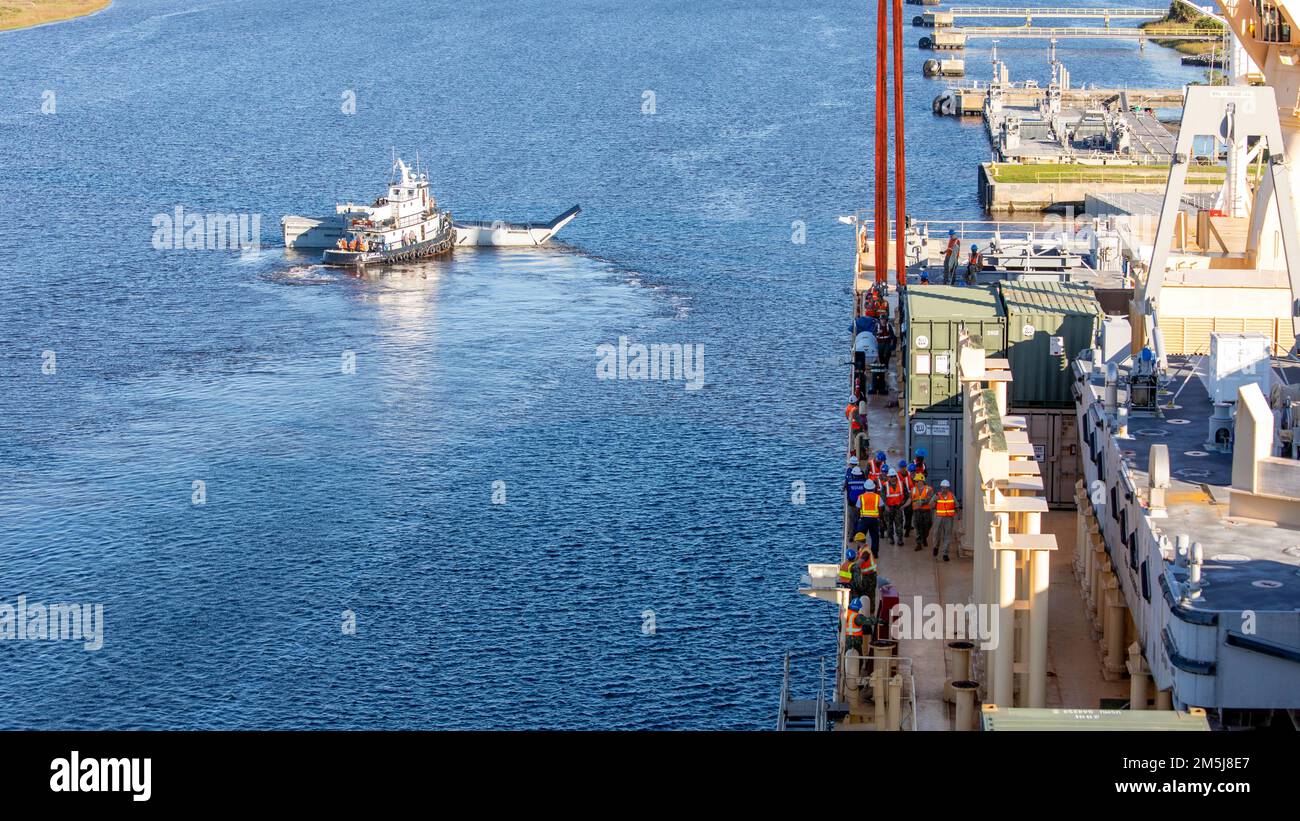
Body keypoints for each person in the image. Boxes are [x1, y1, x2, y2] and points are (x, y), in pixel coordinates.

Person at [856, 478, 883, 555]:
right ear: (873, 488)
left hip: (864, 519)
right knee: (875, 537)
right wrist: (880, 518)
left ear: (865, 488)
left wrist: (859, 518)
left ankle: (860, 551)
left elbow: (858, 508)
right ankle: (874, 553)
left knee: (861, 536)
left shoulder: (861, 497)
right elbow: (881, 508)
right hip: (874, 520)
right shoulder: (877, 497)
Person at [933, 479, 958, 561]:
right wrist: (934, 501)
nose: (944, 489)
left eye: (946, 488)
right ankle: (936, 547)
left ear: (948, 488)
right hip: (939, 518)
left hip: (949, 519)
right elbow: (931, 506)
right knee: (937, 534)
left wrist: (958, 515)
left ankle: (945, 554)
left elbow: (957, 506)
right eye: (943, 488)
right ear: (941, 488)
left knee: (947, 536)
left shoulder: (952, 496)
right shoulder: (937, 495)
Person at [910, 474, 936, 551]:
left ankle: (924, 537)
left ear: (923, 481)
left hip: (926, 511)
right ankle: (919, 543)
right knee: (917, 526)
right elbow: (910, 499)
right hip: (917, 511)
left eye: (919, 481)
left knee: (928, 525)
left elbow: (930, 498)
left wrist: (922, 502)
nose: (917, 482)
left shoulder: (929, 489)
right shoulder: (913, 490)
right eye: (916, 481)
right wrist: (903, 506)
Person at [882, 468, 907, 547]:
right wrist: (886, 506)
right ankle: (891, 538)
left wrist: (903, 505)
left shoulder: (902, 484)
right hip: (888, 508)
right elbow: (883, 497)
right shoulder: (885, 485)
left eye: (894, 476)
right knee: (889, 524)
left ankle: (900, 539)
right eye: (891, 476)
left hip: (898, 507)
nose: (893, 478)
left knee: (899, 524)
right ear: (888, 477)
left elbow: (907, 496)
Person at [844, 466, 866, 538]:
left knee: (851, 520)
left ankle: (851, 536)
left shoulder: (850, 482)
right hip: (860, 504)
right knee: (859, 519)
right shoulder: (864, 482)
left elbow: (847, 489)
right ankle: (858, 534)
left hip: (851, 503)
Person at [897, 460, 915, 538]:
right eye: (912, 472)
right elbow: (903, 490)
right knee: (908, 514)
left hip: (915, 499)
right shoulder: (905, 480)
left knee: (911, 515)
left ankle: (908, 526)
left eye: (914, 472)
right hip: (907, 498)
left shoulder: (918, 479)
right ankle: (907, 529)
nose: (913, 473)